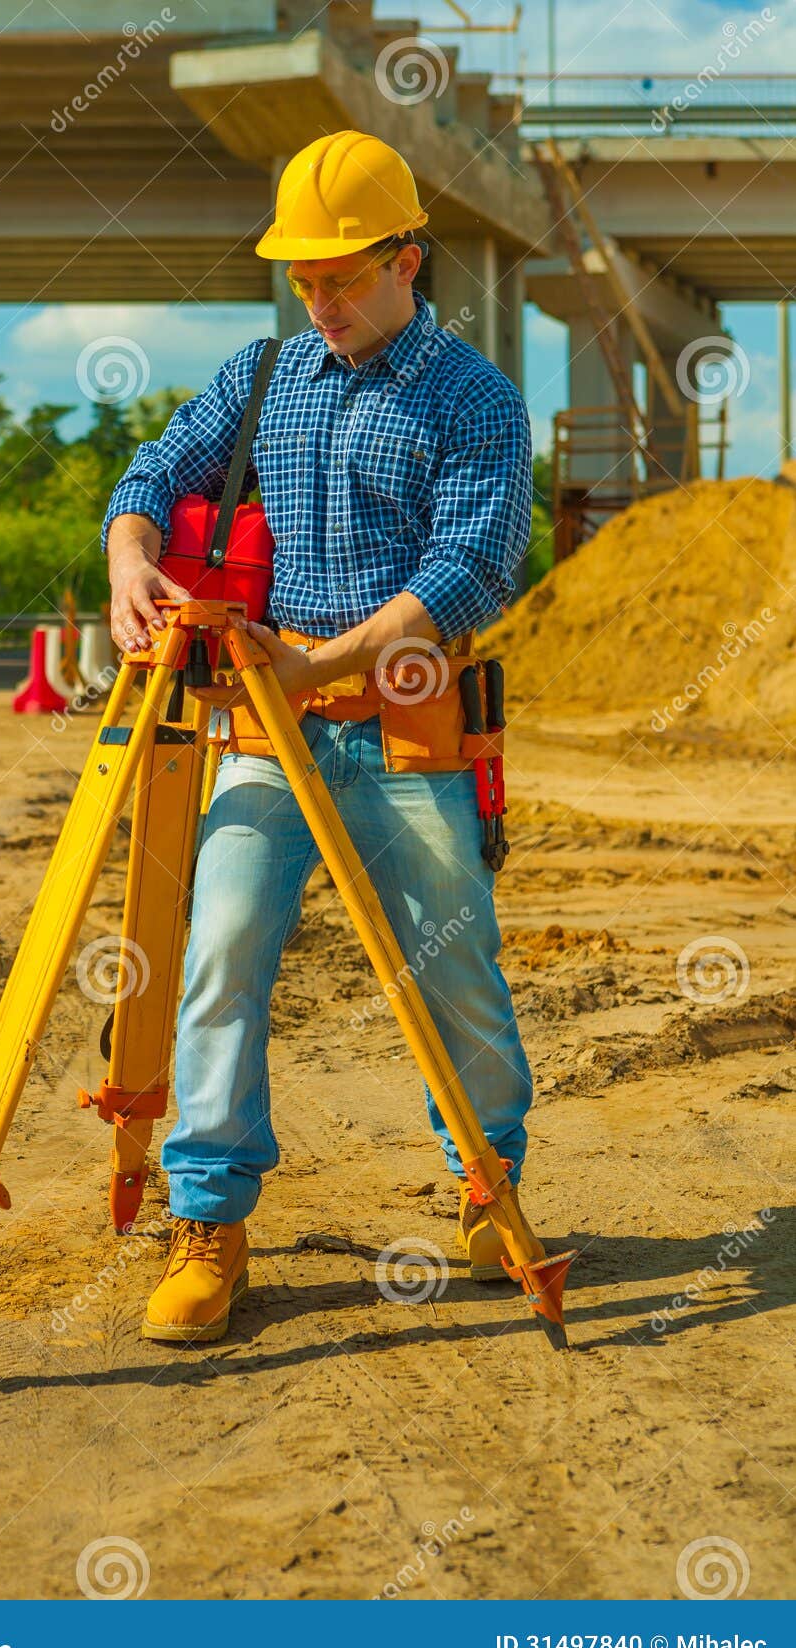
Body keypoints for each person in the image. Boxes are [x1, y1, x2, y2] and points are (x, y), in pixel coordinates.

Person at [101, 130, 539, 1343]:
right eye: (303, 277)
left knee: (452, 971)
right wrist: (129, 555)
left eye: (341, 274)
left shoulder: (477, 401)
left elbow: (467, 569)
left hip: (403, 728)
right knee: (221, 953)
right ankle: (208, 1221)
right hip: (263, 726)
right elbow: (151, 468)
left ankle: (486, 1184)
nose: (319, 299)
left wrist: (320, 660)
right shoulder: (264, 375)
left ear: (409, 258)